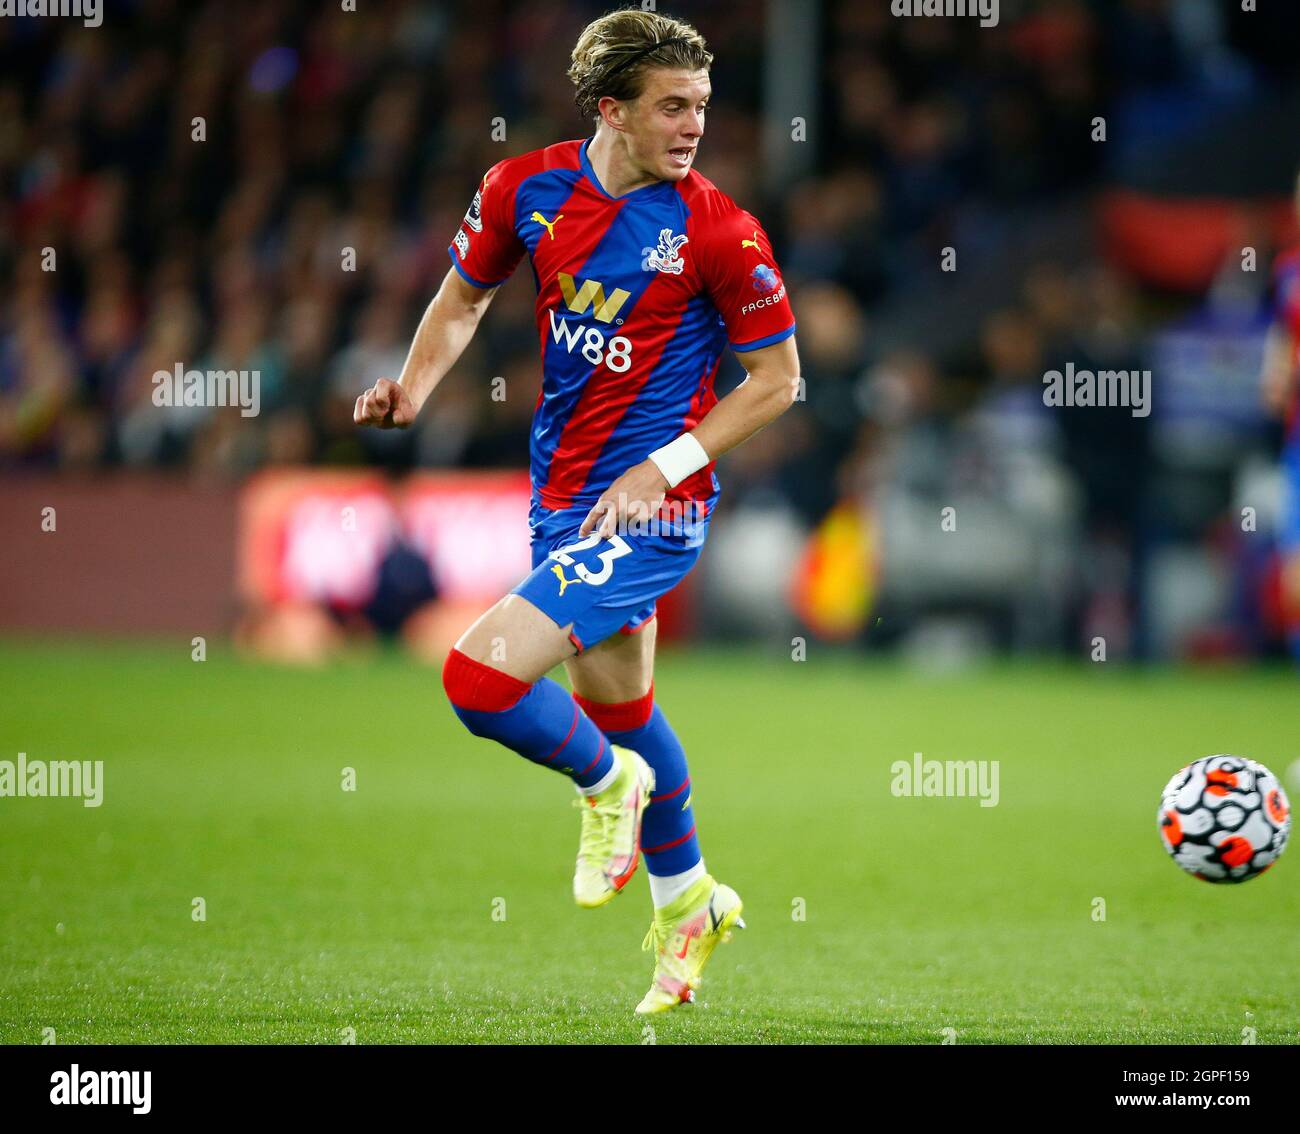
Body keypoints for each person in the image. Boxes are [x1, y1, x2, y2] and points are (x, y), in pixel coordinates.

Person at [353, 7, 799, 1014]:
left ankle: (607, 788)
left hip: (651, 511)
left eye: (701, 106)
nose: (694, 126)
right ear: (610, 108)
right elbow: (464, 296)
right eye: (672, 106)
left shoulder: (720, 230)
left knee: (478, 678)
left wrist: (662, 471)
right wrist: (413, 388)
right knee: (622, 712)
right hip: (562, 495)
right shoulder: (524, 187)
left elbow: (777, 380)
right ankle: (690, 904)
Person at [1261, 169, 1300, 665]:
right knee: (1293, 573)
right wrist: (1273, 374)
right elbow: (1282, 335)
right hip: (1298, 443)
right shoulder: (1289, 270)